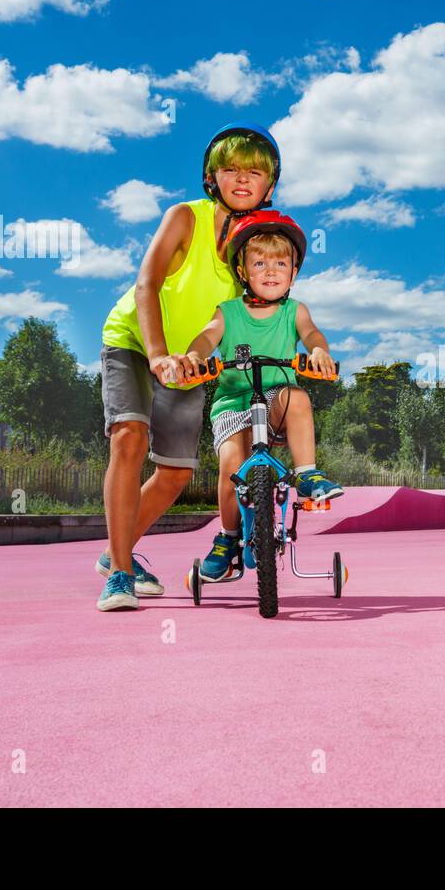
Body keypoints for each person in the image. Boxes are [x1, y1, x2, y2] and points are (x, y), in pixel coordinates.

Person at [95, 122, 284, 612]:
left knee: (176, 473)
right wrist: (157, 354)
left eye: (255, 171)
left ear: (270, 182)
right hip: (135, 341)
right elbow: (147, 283)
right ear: (212, 175)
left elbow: (247, 319)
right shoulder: (186, 218)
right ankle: (119, 574)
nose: (242, 179)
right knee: (129, 436)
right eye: (231, 168)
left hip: (189, 360)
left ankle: (115, 549)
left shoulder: (259, 246)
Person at [181, 210, 343, 583]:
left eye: (280, 264)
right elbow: (207, 337)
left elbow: (313, 334)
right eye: (259, 263)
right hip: (233, 404)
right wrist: (194, 356)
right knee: (231, 465)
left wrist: (319, 352)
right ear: (243, 272)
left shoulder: (294, 311)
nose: (270, 271)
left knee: (298, 397)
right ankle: (228, 536)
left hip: (274, 401)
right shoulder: (229, 312)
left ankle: (306, 474)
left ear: (293, 273)